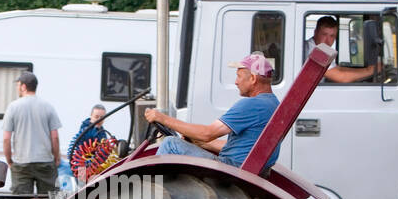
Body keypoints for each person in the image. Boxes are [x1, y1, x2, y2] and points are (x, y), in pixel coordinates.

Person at [144, 49, 376, 168]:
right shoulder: (269, 103)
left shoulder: (252, 104)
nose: (236, 82)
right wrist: (200, 144)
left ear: (253, 79)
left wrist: (161, 116)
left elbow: (207, 131)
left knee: (170, 144)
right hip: (236, 162)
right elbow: (232, 145)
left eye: (239, 76)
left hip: (230, 167)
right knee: (183, 141)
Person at [1, 71, 62, 194]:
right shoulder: (48, 106)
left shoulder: (13, 107)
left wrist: (9, 160)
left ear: (23, 87)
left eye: (18, 85)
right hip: (45, 162)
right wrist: (56, 157)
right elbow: (54, 137)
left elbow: (6, 139)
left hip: (21, 162)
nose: (17, 88)